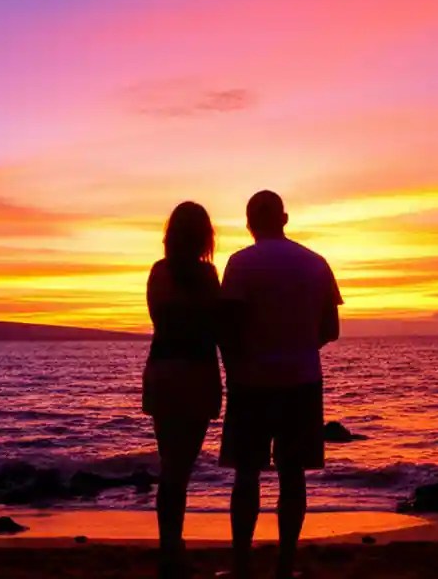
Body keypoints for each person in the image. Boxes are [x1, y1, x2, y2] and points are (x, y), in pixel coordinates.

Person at [219, 190, 342, 579]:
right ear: (284, 219)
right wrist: (299, 344)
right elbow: (331, 330)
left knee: (246, 473)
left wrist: (247, 358)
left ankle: (241, 564)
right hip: (302, 380)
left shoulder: (239, 264)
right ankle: (285, 565)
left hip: (250, 382)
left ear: (249, 223)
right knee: (293, 475)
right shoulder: (316, 263)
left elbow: (230, 329)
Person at [142, 201, 224, 579]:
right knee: (179, 469)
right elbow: (214, 328)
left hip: (162, 372)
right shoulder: (208, 277)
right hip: (193, 374)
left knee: (170, 466)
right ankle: (172, 552)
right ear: (205, 236)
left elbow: (161, 319)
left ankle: (169, 547)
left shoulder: (158, 274)